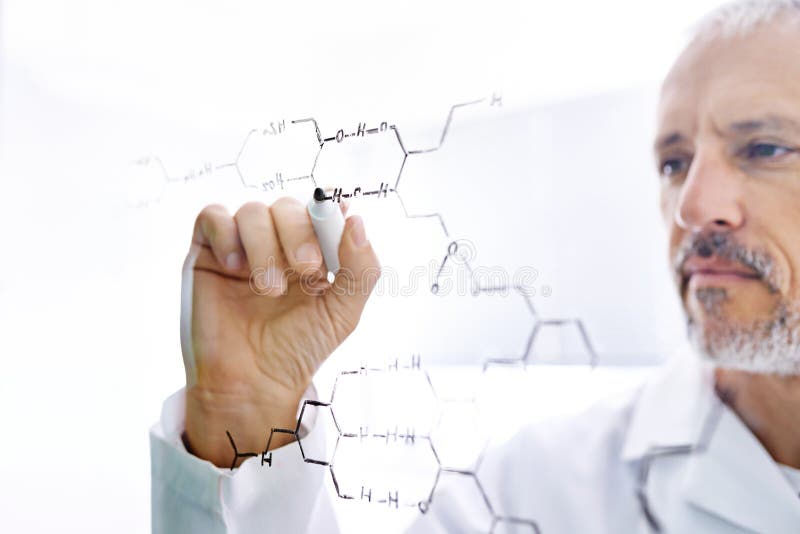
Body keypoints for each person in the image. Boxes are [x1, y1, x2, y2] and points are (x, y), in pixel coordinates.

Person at [150, 1, 800, 532]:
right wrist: (242, 424)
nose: (692, 207)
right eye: (673, 162)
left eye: (765, 148)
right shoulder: (536, 493)